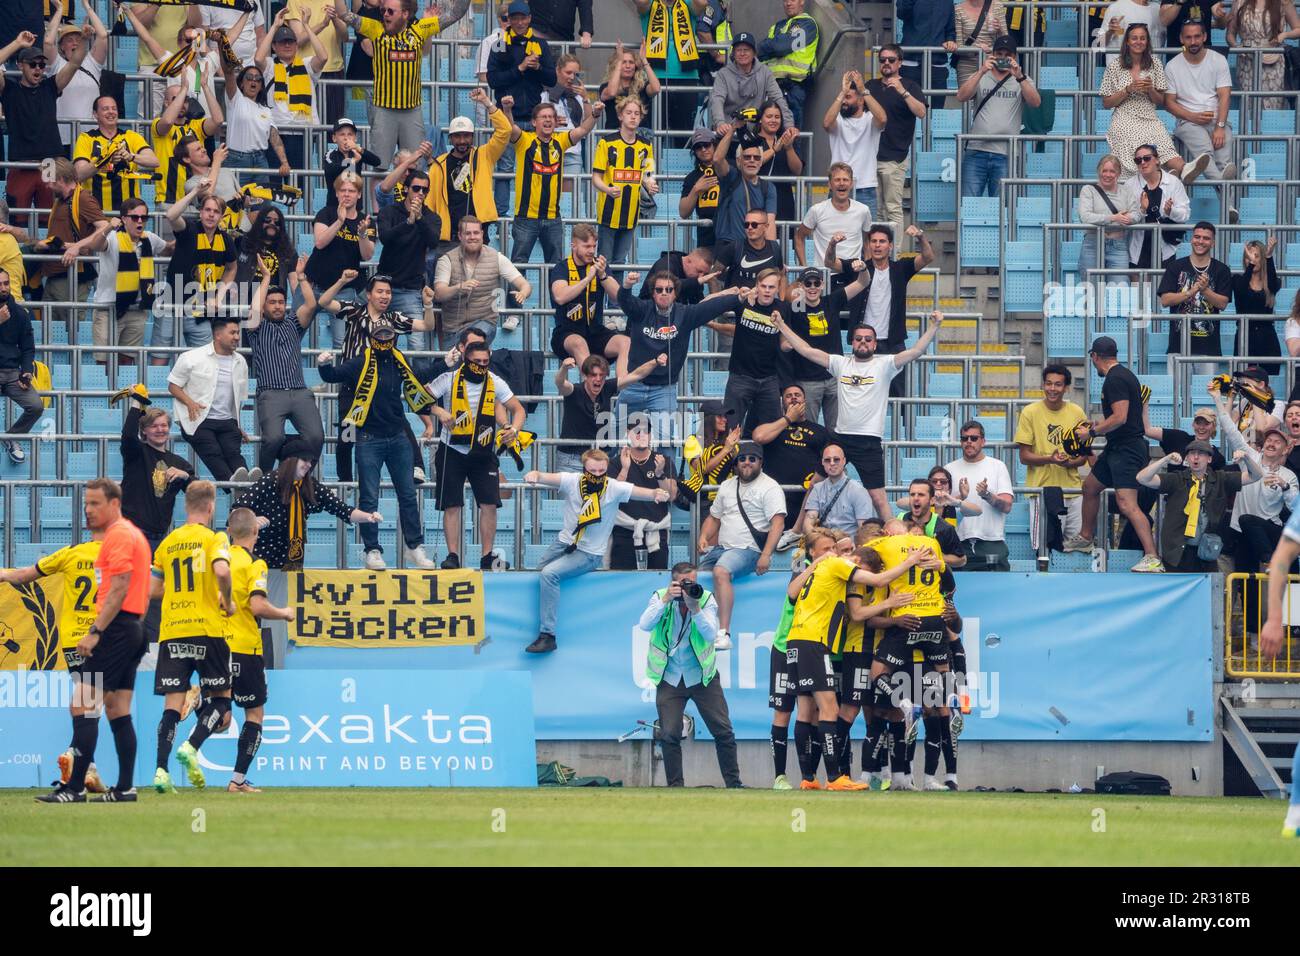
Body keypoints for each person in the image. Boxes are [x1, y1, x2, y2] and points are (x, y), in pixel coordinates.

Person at [784, 528, 932, 790]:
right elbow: (876, 583)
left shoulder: (819, 569)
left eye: (836, 548)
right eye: (829, 548)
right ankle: (834, 778)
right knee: (830, 709)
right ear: (814, 551)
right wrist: (909, 562)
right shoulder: (836, 565)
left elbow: (792, 593)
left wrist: (818, 562)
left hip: (799, 639)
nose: (839, 554)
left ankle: (809, 778)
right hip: (814, 642)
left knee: (807, 711)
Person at [36, 479, 151, 803]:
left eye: (95, 503)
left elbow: (119, 586)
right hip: (132, 628)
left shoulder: (117, 536)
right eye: (86, 503)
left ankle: (73, 790)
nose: (88, 510)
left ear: (114, 504)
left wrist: (96, 631)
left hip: (115, 629)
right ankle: (125, 788)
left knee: (82, 705)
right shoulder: (132, 534)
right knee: (117, 709)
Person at [774, 309, 945, 518]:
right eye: (858, 339)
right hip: (840, 438)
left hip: (868, 442)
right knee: (814, 487)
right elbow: (807, 350)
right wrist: (782, 325)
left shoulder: (885, 365)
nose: (863, 342)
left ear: (874, 344)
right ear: (852, 343)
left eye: (868, 339)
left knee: (879, 499)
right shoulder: (840, 363)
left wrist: (934, 326)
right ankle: (797, 531)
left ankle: (893, 538)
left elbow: (915, 351)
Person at [0, 513, 108, 794]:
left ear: (87, 526)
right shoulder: (117, 557)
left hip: (72, 642)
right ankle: (76, 761)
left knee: (88, 704)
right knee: (91, 709)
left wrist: (1, 573)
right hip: (98, 639)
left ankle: (89, 768)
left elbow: (23, 576)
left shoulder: (70, 554)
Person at [525, 450, 670, 653]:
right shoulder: (572, 481)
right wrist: (534, 475)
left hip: (589, 553)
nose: (598, 474)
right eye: (593, 470)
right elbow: (544, 476)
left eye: (602, 470)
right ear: (585, 468)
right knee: (534, 573)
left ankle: (547, 635)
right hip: (564, 543)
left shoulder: (613, 487)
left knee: (549, 574)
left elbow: (642, 492)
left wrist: (656, 493)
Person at [317, 325, 436, 570]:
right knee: (369, 498)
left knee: (408, 496)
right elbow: (332, 376)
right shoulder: (361, 362)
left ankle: (414, 547)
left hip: (398, 437)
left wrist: (445, 363)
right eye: (379, 337)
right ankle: (371, 550)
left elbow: (423, 375)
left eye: (388, 337)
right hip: (368, 438)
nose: (384, 341)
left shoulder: (400, 361)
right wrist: (323, 364)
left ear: (394, 339)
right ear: (372, 340)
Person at [148, 480, 232, 794]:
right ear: (211, 507)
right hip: (207, 629)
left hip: (173, 631)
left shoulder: (168, 543)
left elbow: (152, 590)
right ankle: (191, 746)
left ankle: (160, 771)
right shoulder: (215, 538)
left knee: (172, 707)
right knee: (222, 704)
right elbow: (222, 571)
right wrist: (227, 599)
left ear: (186, 507)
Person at [317, 270, 434, 482]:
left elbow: (427, 326)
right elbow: (324, 302)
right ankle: (345, 482)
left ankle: (417, 467)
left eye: (388, 292)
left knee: (401, 425)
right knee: (347, 436)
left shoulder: (394, 318)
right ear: (369, 294)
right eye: (380, 291)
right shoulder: (353, 311)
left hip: (382, 388)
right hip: (353, 388)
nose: (385, 296)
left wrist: (427, 305)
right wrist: (342, 280)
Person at [425, 337, 526, 571]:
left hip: (483, 451)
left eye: (485, 361)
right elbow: (419, 397)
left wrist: (514, 429)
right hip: (452, 448)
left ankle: (487, 556)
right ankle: (452, 555)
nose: (481, 365)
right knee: (452, 505)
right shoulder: (449, 378)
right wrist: (439, 411)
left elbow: (518, 410)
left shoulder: (495, 381)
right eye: (476, 361)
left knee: (489, 503)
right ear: (465, 360)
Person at [1063, 336, 1164, 570]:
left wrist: (1092, 432)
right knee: (1090, 487)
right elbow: (1120, 417)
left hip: (1128, 449)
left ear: (1095, 357)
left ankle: (1152, 557)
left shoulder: (1114, 379)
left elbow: (1120, 417)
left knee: (1127, 504)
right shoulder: (1122, 375)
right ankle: (1086, 537)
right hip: (1116, 447)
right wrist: (1096, 424)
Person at [639, 562, 742, 788]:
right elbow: (645, 625)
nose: (689, 587)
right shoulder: (660, 596)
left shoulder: (705, 599)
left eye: (693, 582)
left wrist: (694, 608)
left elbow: (710, 634)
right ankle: (676, 787)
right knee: (669, 734)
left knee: (723, 731)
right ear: (673, 581)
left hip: (702, 676)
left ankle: (734, 784)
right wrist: (667, 598)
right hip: (670, 676)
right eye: (684, 583)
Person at [340, 0, 472, 164]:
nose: (385, 14)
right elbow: (344, 14)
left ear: (405, 14)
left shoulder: (421, 29)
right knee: (379, 166)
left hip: (411, 111)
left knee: (415, 165)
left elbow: (455, 14)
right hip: (383, 109)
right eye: (384, 11)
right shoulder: (375, 28)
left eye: (390, 11)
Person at [222, 506, 293, 793]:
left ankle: (199, 703)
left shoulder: (219, 560)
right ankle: (237, 780)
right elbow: (257, 606)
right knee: (254, 713)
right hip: (246, 646)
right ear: (255, 532)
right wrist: (284, 612)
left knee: (221, 715)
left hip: (216, 644)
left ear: (228, 531)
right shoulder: (255, 564)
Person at [234, 438, 382, 571]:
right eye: (304, 459)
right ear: (290, 460)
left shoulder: (309, 486)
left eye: (310, 461)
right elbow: (237, 510)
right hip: (259, 557)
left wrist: (368, 517)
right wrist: (252, 519)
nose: (308, 465)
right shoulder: (270, 481)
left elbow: (342, 509)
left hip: (288, 561)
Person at [697, 440, 786, 651]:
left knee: (720, 571)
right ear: (736, 463)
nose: (747, 463)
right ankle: (701, 630)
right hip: (722, 549)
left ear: (760, 462)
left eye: (752, 459)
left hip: (750, 550)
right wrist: (703, 536)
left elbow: (778, 523)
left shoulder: (770, 487)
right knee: (695, 576)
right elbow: (714, 518)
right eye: (742, 459)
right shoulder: (727, 486)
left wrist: (766, 555)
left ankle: (723, 633)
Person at [614, 270, 744, 414]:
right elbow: (624, 301)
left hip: (664, 389)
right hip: (634, 384)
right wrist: (626, 286)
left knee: (665, 436)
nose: (664, 293)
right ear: (653, 293)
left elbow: (712, 307)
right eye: (659, 289)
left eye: (669, 289)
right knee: (615, 432)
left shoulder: (685, 314)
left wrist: (738, 298)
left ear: (675, 293)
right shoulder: (641, 310)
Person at [1102, 24, 1209, 185]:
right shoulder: (1115, 66)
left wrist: (1150, 89)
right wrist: (1128, 90)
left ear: (1147, 42)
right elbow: (1106, 102)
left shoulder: (1155, 64)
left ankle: (1185, 168)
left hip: (1149, 115)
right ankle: (1164, 176)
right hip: (1124, 117)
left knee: (1162, 140)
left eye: (1143, 38)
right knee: (1138, 140)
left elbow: (1161, 101)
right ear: (1128, 42)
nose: (1139, 41)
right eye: (1135, 38)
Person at [245, 262, 324, 471]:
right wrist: (266, 277)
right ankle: (264, 480)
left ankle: (301, 478)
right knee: (273, 439)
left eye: (281, 302)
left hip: (299, 392)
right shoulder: (256, 328)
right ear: (264, 306)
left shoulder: (293, 324)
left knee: (316, 437)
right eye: (272, 302)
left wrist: (301, 278)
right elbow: (253, 309)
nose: (278, 306)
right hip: (271, 394)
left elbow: (311, 305)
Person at [0, 34, 84, 227]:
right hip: (21, 163)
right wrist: (17, 43)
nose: (38, 68)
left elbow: (74, 64)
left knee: (49, 223)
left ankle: (48, 257)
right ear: (21, 65)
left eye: (41, 65)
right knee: (16, 223)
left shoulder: (50, 87)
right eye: (32, 64)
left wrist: (85, 41)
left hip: (49, 164)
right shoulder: (10, 90)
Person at [504, 98, 601, 264]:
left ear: (556, 122)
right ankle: (516, 292)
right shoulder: (525, 141)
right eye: (543, 116)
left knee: (556, 266)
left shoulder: (560, 142)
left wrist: (595, 114)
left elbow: (583, 129)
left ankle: (557, 292)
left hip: (553, 218)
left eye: (551, 117)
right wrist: (507, 110)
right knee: (518, 264)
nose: (548, 120)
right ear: (534, 122)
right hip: (526, 218)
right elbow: (510, 128)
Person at [1138, 440, 1257, 570]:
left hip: (1207, 551)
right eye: (1192, 453)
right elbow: (1142, 478)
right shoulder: (1176, 479)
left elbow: (1256, 476)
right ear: (1187, 458)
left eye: (1201, 454)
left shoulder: (1221, 479)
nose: (1196, 457)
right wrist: (1165, 460)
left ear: (1209, 459)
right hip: (1177, 553)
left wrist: (1246, 457)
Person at [84, 199, 173, 366]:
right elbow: (95, 245)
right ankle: (108, 392)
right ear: (124, 219)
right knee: (104, 361)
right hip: (109, 308)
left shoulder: (150, 239)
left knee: (127, 360)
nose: (140, 221)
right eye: (135, 217)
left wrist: (190, 234)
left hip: (136, 308)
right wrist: (109, 226)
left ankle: (124, 392)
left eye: (144, 217)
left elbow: (168, 248)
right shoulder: (112, 237)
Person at [167, 315, 254, 484]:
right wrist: (190, 402)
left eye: (238, 333)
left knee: (233, 452)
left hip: (227, 420)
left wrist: (238, 425)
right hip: (198, 419)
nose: (237, 337)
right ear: (218, 335)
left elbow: (238, 399)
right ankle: (237, 486)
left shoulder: (241, 362)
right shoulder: (191, 357)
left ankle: (246, 484)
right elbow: (173, 386)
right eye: (233, 333)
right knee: (213, 452)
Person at [154, 190, 237, 360]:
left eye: (216, 212)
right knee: (159, 357)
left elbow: (231, 268)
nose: (211, 215)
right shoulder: (189, 228)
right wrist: (196, 192)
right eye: (207, 210)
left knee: (204, 360)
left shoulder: (226, 240)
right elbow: (171, 215)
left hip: (201, 308)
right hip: (171, 302)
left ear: (221, 216)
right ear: (201, 212)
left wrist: (218, 297)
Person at [1016, 364, 1093, 546]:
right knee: (1045, 549)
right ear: (1042, 385)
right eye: (1049, 383)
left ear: (1066, 388)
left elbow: (1084, 457)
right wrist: (1049, 459)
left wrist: (1068, 463)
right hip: (1042, 492)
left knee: (1076, 548)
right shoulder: (1030, 412)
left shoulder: (1076, 412)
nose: (1052, 389)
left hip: (1073, 492)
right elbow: (1024, 456)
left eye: (1058, 384)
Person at [955, 35, 1041, 198]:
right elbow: (961, 96)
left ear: (1014, 57)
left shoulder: (1022, 79)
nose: (1002, 58)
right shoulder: (981, 75)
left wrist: (1020, 76)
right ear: (992, 54)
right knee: (968, 205)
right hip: (976, 150)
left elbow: (1035, 102)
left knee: (1002, 208)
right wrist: (981, 70)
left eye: (1007, 55)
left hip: (1006, 153)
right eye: (999, 54)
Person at [854, 224, 938, 390]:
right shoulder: (859, 268)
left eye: (882, 241)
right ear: (868, 245)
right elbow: (830, 262)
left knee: (899, 394)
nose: (878, 245)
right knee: (865, 395)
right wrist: (833, 244)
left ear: (890, 246)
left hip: (894, 343)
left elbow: (928, 257)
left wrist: (920, 237)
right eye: (874, 241)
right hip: (866, 342)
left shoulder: (901, 268)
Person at [427, 88, 511, 248]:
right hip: (448, 236)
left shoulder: (484, 155)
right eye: (457, 136)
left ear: (472, 137)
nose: (462, 140)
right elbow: (430, 202)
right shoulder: (439, 163)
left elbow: (505, 131)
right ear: (450, 138)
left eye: (466, 135)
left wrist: (487, 102)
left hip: (478, 233)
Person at [554, 352, 666, 472]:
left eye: (602, 375)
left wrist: (655, 361)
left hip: (599, 459)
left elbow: (637, 375)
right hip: (572, 459)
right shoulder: (574, 391)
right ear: (585, 376)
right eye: (594, 375)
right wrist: (564, 368)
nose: (598, 379)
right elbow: (560, 383)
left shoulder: (607, 387)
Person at [31, 157, 109, 325]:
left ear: (60, 179)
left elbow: (105, 227)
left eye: (49, 181)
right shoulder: (61, 200)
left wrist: (77, 247)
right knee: (48, 331)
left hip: (72, 275)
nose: (46, 185)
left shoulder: (83, 198)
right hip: (55, 274)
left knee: (70, 330)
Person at [434, 216, 530, 349]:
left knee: (473, 342)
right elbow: (439, 293)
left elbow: (524, 284)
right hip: (452, 330)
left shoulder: (496, 257)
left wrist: (523, 293)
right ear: (460, 236)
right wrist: (458, 288)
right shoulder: (446, 260)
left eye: (476, 233)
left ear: (482, 234)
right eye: (468, 233)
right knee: (452, 368)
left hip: (485, 323)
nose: (472, 237)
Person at [305, 171, 376, 349]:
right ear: (336, 193)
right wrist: (339, 221)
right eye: (342, 190)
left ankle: (341, 378)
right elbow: (320, 243)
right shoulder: (326, 213)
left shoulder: (365, 221)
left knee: (342, 343)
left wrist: (362, 234)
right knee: (294, 332)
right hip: (314, 285)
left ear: (359, 194)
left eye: (351, 191)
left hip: (343, 289)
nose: (346, 194)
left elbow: (367, 255)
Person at [255, 8, 330, 176]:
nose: (287, 45)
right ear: (274, 46)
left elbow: (324, 57)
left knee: (299, 180)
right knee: (274, 179)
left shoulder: (306, 64)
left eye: (291, 41)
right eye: (282, 42)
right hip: (276, 132)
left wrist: (306, 26)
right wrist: (274, 26)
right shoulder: (269, 66)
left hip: (302, 132)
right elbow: (258, 58)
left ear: (297, 45)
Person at [1165, 21, 1235, 193]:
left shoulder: (1218, 60)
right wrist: (1192, 117)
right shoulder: (1172, 66)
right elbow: (1168, 103)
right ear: (1181, 39)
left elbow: (1225, 95)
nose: (1193, 41)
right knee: (1205, 156)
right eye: (1188, 37)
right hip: (1188, 122)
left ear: (1204, 37)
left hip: (1216, 120)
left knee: (1224, 164)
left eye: (1197, 36)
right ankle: (1226, 194)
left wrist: (1220, 127)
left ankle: (1228, 205)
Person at [720, 269, 792, 435]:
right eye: (763, 286)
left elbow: (784, 343)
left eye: (771, 287)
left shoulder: (783, 309)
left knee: (773, 433)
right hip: (740, 377)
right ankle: (728, 461)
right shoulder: (743, 302)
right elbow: (707, 302)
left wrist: (791, 344)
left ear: (777, 288)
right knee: (729, 430)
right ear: (757, 286)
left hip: (769, 380)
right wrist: (730, 292)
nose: (767, 290)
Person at [752, 383, 829, 537]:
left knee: (803, 546)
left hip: (805, 497)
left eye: (798, 395)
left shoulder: (820, 431)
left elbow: (828, 463)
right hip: (774, 496)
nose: (793, 397)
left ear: (805, 401)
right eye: (788, 396)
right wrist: (788, 418)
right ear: (783, 402)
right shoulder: (775, 426)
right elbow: (759, 437)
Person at [377, 168, 442, 348]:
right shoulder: (389, 211)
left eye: (425, 190)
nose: (420, 193)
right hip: (384, 287)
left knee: (417, 345)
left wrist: (419, 219)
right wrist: (408, 223)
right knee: (381, 343)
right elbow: (385, 238)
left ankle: (419, 378)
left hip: (411, 290)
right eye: (416, 188)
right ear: (405, 189)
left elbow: (433, 241)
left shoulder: (431, 217)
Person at [1158, 221, 1233, 373]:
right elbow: (1165, 300)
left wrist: (1205, 291)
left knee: (1208, 393)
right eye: (1197, 237)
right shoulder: (1175, 266)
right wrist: (1190, 292)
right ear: (1191, 239)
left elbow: (1223, 303)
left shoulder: (1221, 269)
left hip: (1209, 347)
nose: (1200, 241)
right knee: (1176, 394)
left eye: (1206, 238)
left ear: (1213, 243)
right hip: (1178, 345)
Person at [592, 97, 658, 265]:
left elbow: (648, 174)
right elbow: (596, 179)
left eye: (637, 113)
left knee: (620, 262)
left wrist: (650, 185)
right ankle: (600, 293)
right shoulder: (606, 143)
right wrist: (607, 190)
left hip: (631, 215)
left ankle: (618, 293)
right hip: (608, 212)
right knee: (603, 262)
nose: (633, 117)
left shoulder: (646, 145)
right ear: (620, 116)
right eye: (629, 113)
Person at [867, 43, 926, 230]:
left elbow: (921, 112)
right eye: (882, 60)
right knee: (873, 211)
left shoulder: (910, 85)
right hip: (869, 157)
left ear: (899, 63)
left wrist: (902, 91)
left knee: (892, 208)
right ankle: (873, 255)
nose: (886, 63)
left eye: (891, 60)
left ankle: (894, 256)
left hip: (895, 157)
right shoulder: (871, 86)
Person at [943, 421, 1014, 570]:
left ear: (983, 441)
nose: (969, 442)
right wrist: (960, 497)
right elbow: (941, 506)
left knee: (999, 590)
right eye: (964, 438)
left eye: (974, 438)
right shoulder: (949, 469)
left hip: (992, 541)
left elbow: (1007, 506)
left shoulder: (997, 466)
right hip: (958, 542)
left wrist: (987, 495)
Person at [150, 75, 225, 215]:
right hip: (169, 202)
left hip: (197, 203)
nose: (182, 103)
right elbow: (167, 122)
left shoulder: (196, 126)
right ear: (166, 103)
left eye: (185, 100)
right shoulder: (159, 124)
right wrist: (184, 89)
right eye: (176, 98)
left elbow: (218, 120)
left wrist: (205, 87)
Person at [635, 0, 708, 144]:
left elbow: (703, 3)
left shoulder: (687, 3)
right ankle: (651, 165)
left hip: (687, 76)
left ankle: (683, 164)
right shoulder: (651, 4)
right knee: (654, 131)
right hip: (655, 77)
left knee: (683, 132)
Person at [611, 414, 678, 570]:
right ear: (628, 433)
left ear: (650, 435)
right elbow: (612, 495)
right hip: (625, 532)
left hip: (656, 532)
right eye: (636, 431)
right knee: (621, 583)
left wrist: (660, 473)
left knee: (656, 583)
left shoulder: (664, 461)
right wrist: (625, 468)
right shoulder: (615, 462)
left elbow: (672, 496)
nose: (641, 435)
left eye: (645, 431)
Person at [72, 95, 160, 214]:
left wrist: (131, 156)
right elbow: (79, 174)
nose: (111, 112)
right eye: (105, 109)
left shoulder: (131, 136)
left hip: (128, 214)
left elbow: (154, 161)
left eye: (114, 108)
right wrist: (105, 159)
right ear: (95, 114)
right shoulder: (86, 138)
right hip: (95, 213)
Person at [44, 3, 106, 150]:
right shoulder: (56, 64)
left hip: (90, 138)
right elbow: (47, 42)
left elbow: (103, 35)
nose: (75, 42)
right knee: (55, 173)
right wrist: (60, 10)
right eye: (69, 40)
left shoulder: (93, 63)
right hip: (59, 137)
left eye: (78, 38)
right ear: (62, 46)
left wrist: (86, 5)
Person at [487, 0, 558, 128]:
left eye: (523, 18)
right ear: (509, 19)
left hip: (534, 119)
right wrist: (520, 68)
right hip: (507, 118)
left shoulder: (541, 44)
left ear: (529, 18)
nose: (520, 23)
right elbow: (492, 80)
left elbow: (552, 80)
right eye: (515, 18)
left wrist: (538, 68)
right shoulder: (499, 45)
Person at [1218, 0, 1300, 110]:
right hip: (1247, 60)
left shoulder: (1283, 2)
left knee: (1273, 102)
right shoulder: (1240, 2)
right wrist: (1237, 47)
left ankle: (1272, 127)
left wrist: (1284, 35)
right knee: (1249, 103)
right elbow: (1230, 34)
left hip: (1273, 59)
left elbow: (1298, 29)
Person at [220, 60, 290, 187]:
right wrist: (222, 44)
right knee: (233, 203)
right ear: (241, 83)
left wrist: (284, 162)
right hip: (236, 159)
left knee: (262, 204)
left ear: (261, 86)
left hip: (260, 160)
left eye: (258, 79)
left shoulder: (266, 110)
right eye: (249, 78)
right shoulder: (235, 100)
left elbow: (274, 137)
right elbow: (228, 73)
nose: (253, 81)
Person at [825, 70, 887, 211]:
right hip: (837, 186)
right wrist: (842, 93)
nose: (844, 102)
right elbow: (826, 124)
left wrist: (863, 90)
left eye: (848, 97)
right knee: (833, 230)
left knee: (867, 233)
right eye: (843, 98)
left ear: (860, 100)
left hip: (865, 188)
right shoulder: (838, 119)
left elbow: (883, 119)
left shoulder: (870, 119)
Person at [795, 163, 873, 276]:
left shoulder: (863, 210)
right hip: (824, 277)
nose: (841, 183)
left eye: (845, 180)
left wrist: (867, 271)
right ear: (830, 184)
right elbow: (799, 237)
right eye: (837, 180)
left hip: (854, 276)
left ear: (851, 184)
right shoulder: (816, 210)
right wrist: (805, 269)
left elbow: (867, 243)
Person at [1122, 142, 1191, 269]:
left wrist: (1171, 211)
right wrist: (1141, 209)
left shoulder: (1173, 182)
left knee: (1163, 288)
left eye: (1147, 158)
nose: (1143, 162)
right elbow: (1125, 217)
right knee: (1138, 288)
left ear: (1157, 160)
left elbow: (1185, 215)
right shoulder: (1129, 185)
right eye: (1138, 160)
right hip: (1138, 247)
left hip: (1165, 248)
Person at [709, 32, 792, 130]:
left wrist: (789, 125)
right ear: (733, 53)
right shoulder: (723, 74)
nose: (742, 53)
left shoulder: (765, 72)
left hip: (756, 132)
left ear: (754, 53)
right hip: (729, 130)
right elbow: (717, 100)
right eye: (738, 50)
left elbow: (778, 98)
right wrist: (720, 123)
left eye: (746, 50)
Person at [0, 271, 41, 465]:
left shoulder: (19, 314)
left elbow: (27, 347)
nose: (3, 288)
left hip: (12, 374)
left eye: (6, 283)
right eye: (0, 284)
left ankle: (11, 437)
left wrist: (26, 371)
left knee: (36, 406)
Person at [711, 128, 777, 248]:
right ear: (738, 161)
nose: (752, 161)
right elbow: (717, 159)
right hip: (728, 246)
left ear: (761, 162)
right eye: (747, 157)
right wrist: (733, 129)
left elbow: (770, 222)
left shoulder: (768, 187)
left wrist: (773, 253)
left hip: (754, 247)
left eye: (756, 158)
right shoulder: (731, 177)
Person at [757, 0, 819, 128]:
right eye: (785, 0)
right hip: (773, 86)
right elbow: (761, 50)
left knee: (791, 133)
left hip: (795, 86)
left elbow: (780, 46)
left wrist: (773, 45)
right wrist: (772, 46)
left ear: (802, 1)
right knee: (770, 132)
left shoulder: (807, 24)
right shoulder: (777, 26)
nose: (788, 3)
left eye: (792, 0)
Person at [1077, 155, 1132, 279]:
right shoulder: (1088, 190)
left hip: (1118, 245)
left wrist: (1130, 218)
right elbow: (1085, 217)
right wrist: (1113, 218)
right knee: (1091, 289)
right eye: (1104, 170)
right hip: (1093, 242)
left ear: (1118, 173)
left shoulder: (1126, 191)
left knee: (1119, 289)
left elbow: (1136, 213)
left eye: (1112, 171)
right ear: (1098, 171)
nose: (1108, 175)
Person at [800, 443, 876, 534]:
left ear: (844, 461)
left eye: (836, 459)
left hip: (850, 545)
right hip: (825, 544)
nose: (832, 463)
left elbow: (864, 529)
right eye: (827, 460)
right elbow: (808, 524)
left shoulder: (858, 491)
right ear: (822, 462)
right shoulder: (817, 489)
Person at [897, 0, 958, 108]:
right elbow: (901, 13)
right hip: (910, 63)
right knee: (907, 109)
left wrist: (950, 40)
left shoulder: (948, 2)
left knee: (935, 111)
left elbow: (950, 29)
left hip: (937, 63)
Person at [1234, 238, 1282, 374]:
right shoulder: (1238, 280)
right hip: (1245, 337)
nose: (1251, 260)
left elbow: (1273, 285)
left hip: (1267, 338)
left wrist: (1269, 256)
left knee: (1268, 383)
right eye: (1248, 257)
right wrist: (1251, 265)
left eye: (1256, 256)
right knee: (1244, 383)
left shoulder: (1273, 282)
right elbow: (1241, 291)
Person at [599, 39, 661, 130]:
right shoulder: (606, 86)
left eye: (631, 62)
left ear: (635, 66)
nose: (628, 66)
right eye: (624, 62)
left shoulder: (642, 86)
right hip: (615, 134)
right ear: (616, 65)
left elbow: (656, 89)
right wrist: (619, 61)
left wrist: (644, 60)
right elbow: (612, 92)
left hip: (640, 134)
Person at [680, 129, 723, 249]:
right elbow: (683, 213)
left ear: (714, 145)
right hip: (705, 234)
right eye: (698, 147)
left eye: (707, 145)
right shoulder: (692, 177)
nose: (703, 149)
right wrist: (696, 190)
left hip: (729, 229)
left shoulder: (728, 170)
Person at [952, 0, 1009, 88]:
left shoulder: (997, 6)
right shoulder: (958, 9)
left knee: (993, 98)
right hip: (968, 64)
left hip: (994, 62)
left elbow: (1006, 41)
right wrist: (976, 49)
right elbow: (958, 47)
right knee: (968, 98)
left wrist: (999, 29)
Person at [527, 0, 594, 45]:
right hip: (536, 34)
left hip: (564, 38)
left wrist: (586, 34)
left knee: (568, 65)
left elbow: (585, 7)